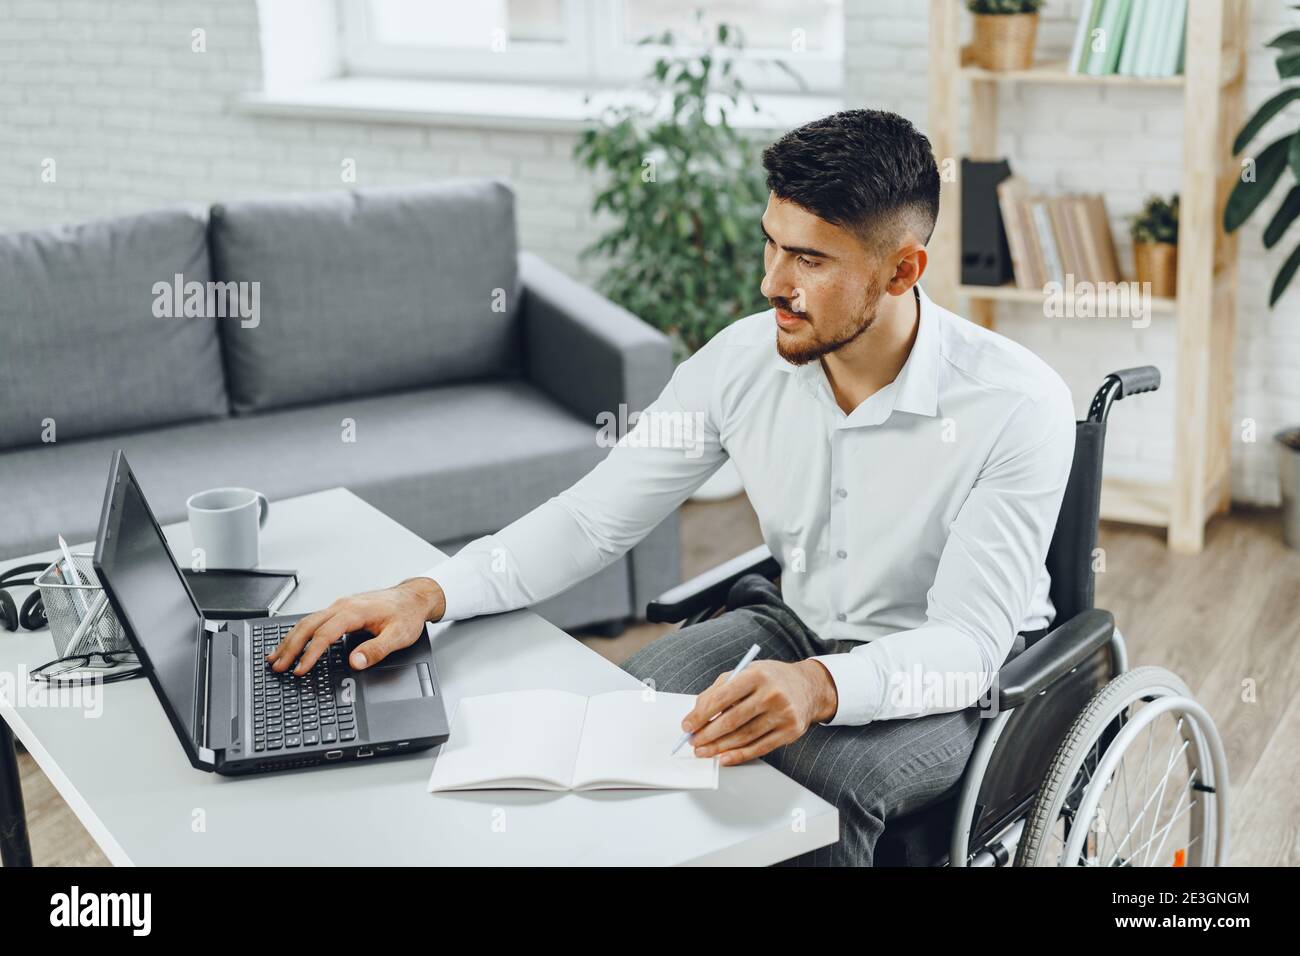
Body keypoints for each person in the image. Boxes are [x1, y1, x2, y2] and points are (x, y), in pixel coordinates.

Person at [267, 109, 1076, 866]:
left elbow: (966, 644)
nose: (772, 283)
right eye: (771, 244)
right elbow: (591, 521)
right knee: (620, 724)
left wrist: (822, 687)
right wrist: (425, 593)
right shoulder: (740, 363)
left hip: (949, 678)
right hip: (797, 623)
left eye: (810, 259)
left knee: (818, 791)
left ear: (903, 271)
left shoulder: (1013, 405)